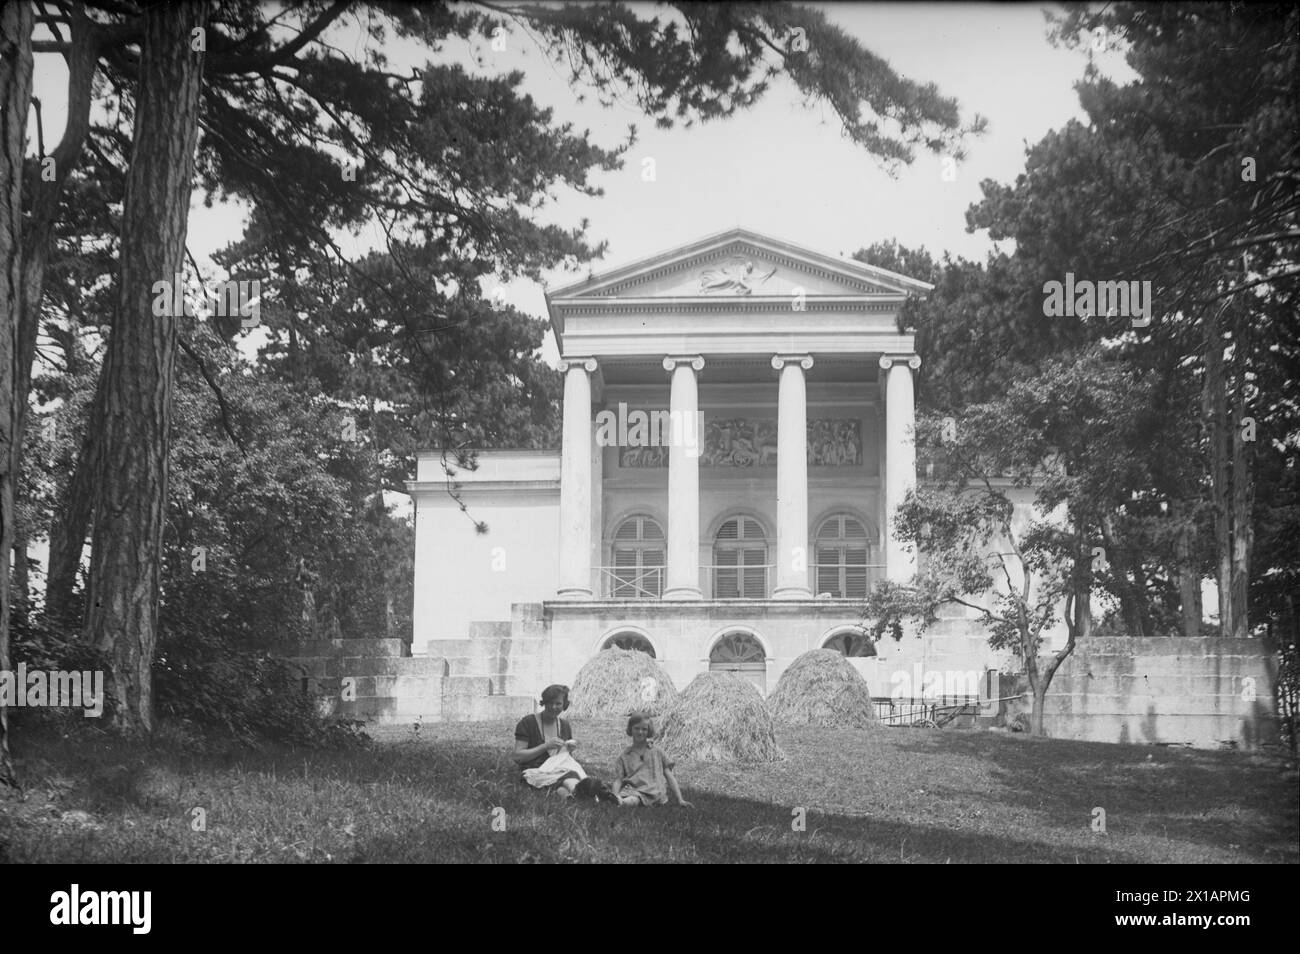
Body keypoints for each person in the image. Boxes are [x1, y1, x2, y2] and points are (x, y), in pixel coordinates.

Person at [513, 685, 587, 796]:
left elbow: (563, 758)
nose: (553, 707)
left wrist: (569, 750)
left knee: (562, 787)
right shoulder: (528, 723)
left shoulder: (564, 725)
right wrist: (545, 746)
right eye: (550, 703)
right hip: (534, 772)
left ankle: (571, 796)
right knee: (570, 775)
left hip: (557, 772)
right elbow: (518, 757)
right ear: (544, 703)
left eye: (558, 704)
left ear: (564, 705)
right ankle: (583, 791)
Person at [611, 713, 691, 808]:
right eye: (636, 728)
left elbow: (669, 775)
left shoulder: (656, 752)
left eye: (644, 729)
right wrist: (614, 795)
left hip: (654, 792)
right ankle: (615, 799)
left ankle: (622, 803)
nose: (640, 732)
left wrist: (680, 799)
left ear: (649, 731)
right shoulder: (625, 756)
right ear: (630, 729)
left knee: (635, 799)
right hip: (633, 790)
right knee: (626, 795)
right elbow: (618, 780)